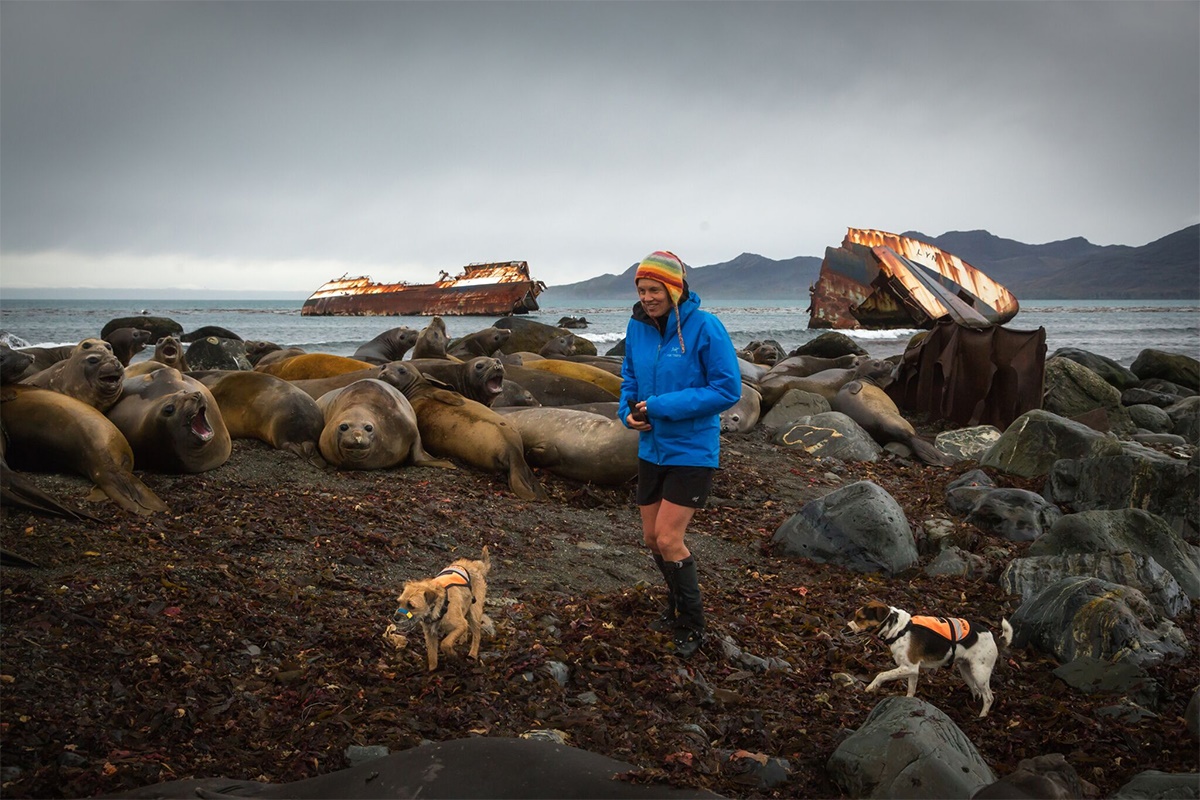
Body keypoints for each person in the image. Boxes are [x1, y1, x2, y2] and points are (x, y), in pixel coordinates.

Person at [618, 250, 742, 658]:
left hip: (691, 449)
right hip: (652, 448)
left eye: (655, 289)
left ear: (675, 288)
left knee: (671, 538)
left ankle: (693, 623)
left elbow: (727, 390)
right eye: (641, 289)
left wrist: (660, 407)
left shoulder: (706, 327)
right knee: (652, 539)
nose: (648, 297)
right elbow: (630, 379)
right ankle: (674, 609)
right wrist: (628, 414)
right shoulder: (637, 328)